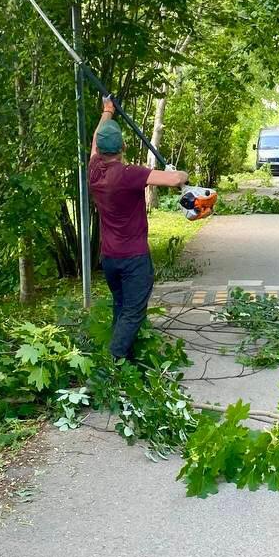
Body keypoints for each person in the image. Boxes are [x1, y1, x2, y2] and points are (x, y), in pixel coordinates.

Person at [88, 97, 187, 361]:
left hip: (110, 259)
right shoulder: (128, 174)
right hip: (134, 259)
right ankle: (114, 360)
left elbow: (95, 141)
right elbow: (174, 179)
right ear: (122, 146)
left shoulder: (94, 170)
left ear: (100, 149)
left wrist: (107, 111)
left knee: (121, 309)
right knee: (133, 312)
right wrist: (181, 174)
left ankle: (125, 363)